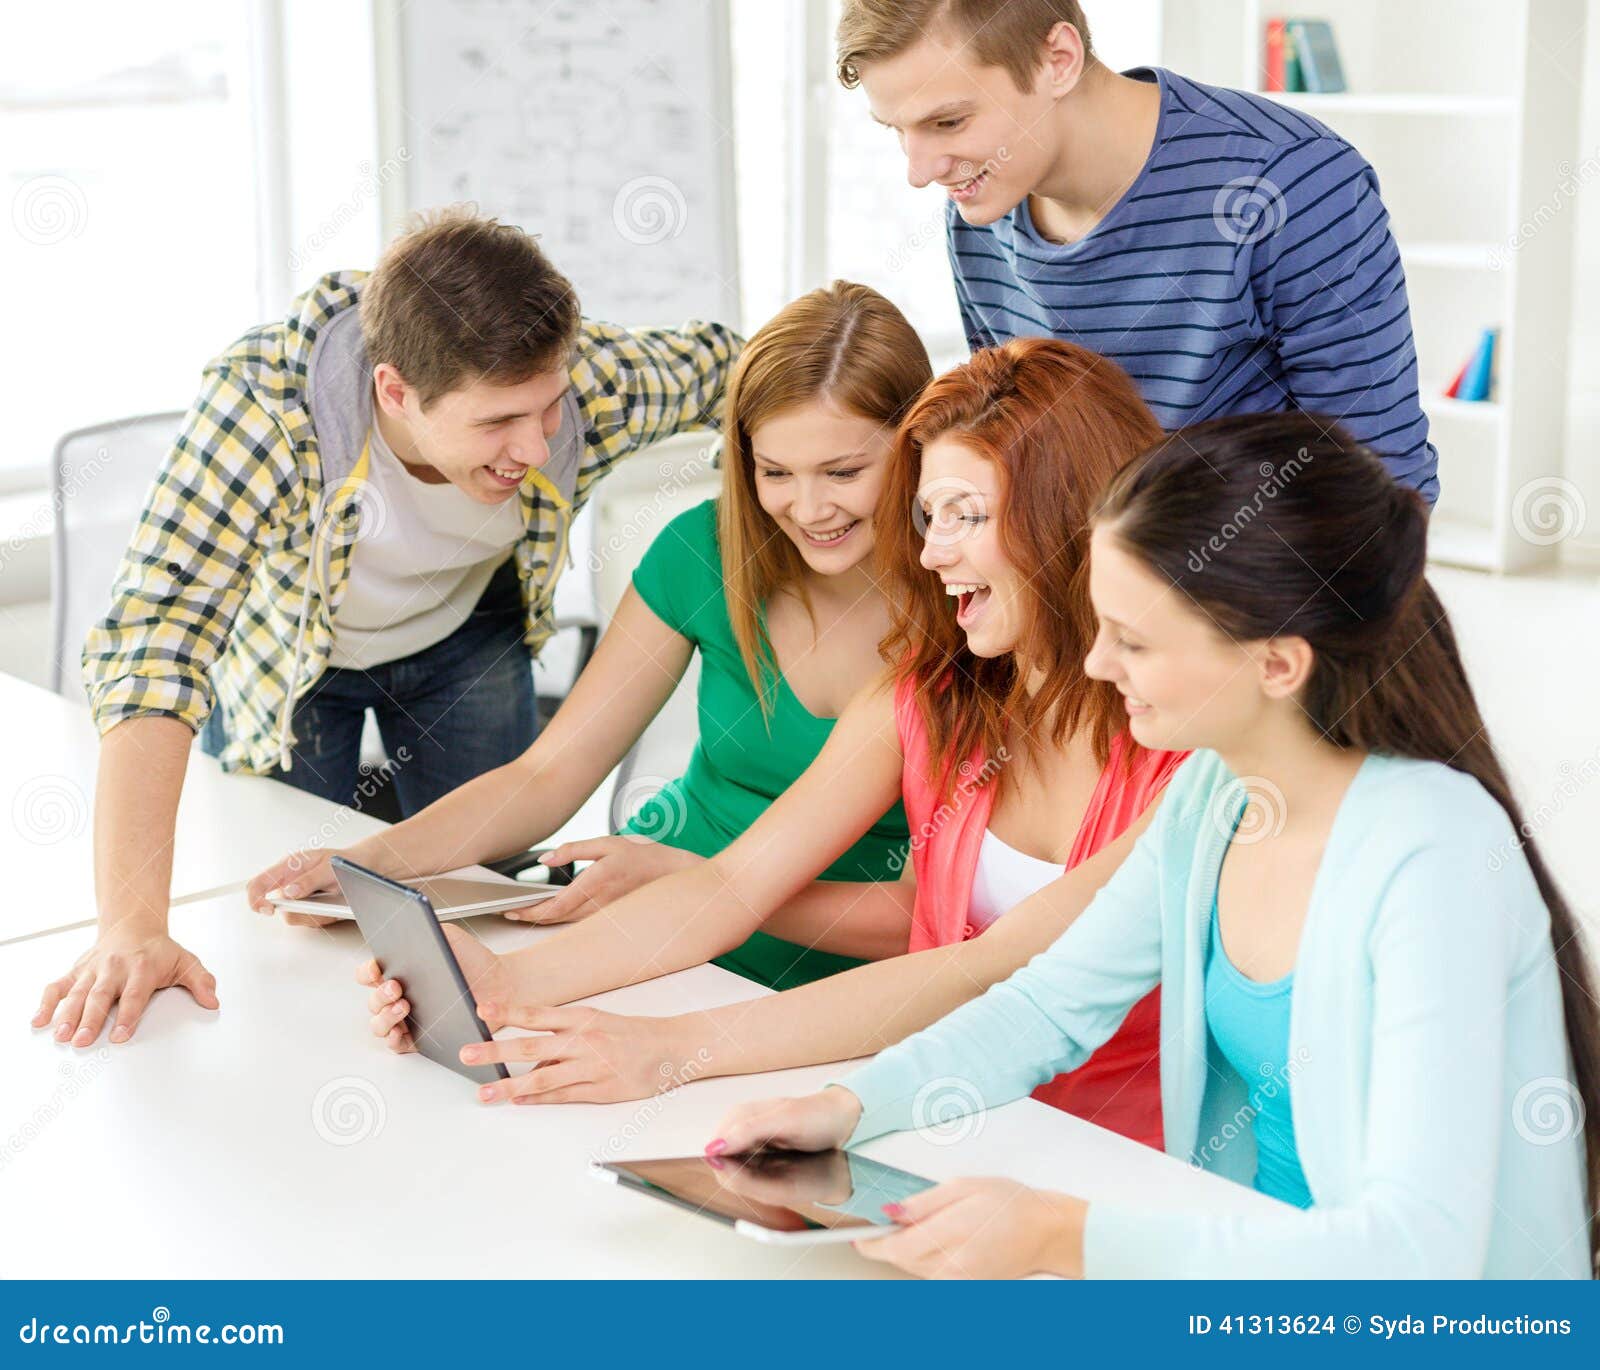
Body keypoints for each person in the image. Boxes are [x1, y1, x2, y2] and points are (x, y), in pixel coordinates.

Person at [712, 412, 1598, 1280]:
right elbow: (1048, 1008)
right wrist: (849, 1106)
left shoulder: (1434, 858)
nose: (1096, 664)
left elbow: (1416, 1255)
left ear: (1278, 665)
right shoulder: (1214, 796)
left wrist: (1069, 1239)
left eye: (1133, 640)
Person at [362, 339, 1187, 1149]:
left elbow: (988, 966)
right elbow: (728, 888)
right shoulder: (929, 695)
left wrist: (671, 1052)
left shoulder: (1190, 750)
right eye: (928, 516)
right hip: (930, 1116)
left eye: (965, 516)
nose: (932, 554)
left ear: (1069, 517)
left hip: (1102, 1152)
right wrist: (503, 986)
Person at [33, 208, 740, 1048]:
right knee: (295, 917)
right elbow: (158, 638)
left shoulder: (597, 383)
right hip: (296, 665)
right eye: (495, 424)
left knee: (479, 905)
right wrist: (129, 926)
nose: (536, 444)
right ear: (394, 392)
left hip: (468, 637)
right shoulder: (264, 407)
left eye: (546, 408)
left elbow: (745, 368)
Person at [248, 281, 927, 992]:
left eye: (843, 472)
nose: (809, 507)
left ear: (918, 444)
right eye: (775, 472)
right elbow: (547, 775)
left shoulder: (974, 613)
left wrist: (700, 881)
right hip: (649, 936)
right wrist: (368, 864)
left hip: (830, 985)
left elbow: (917, 919)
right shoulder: (706, 552)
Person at [837, 0, 1440, 501]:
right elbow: (1017, 455)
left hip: (1257, 614)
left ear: (1058, 60)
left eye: (948, 123)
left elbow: (1380, 487)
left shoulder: (1290, 181)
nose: (919, 172)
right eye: (897, 130)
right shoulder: (979, 208)